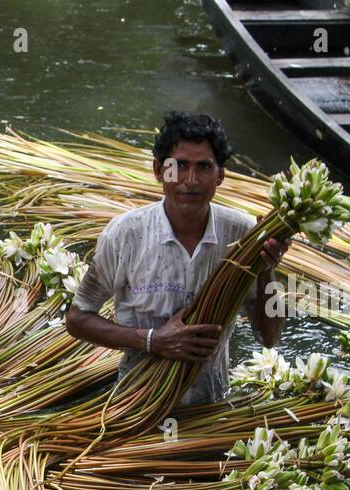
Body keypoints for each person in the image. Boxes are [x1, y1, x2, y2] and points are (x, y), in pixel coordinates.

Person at [65, 111, 290, 406]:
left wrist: (266, 269)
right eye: (179, 166)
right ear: (159, 171)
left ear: (220, 175)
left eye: (203, 167)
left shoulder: (244, 232)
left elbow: (271, 337)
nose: (190, 180)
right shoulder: (125, 234)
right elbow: (77, 319)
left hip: (212, 405)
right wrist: (152, 340)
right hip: (135, 404)